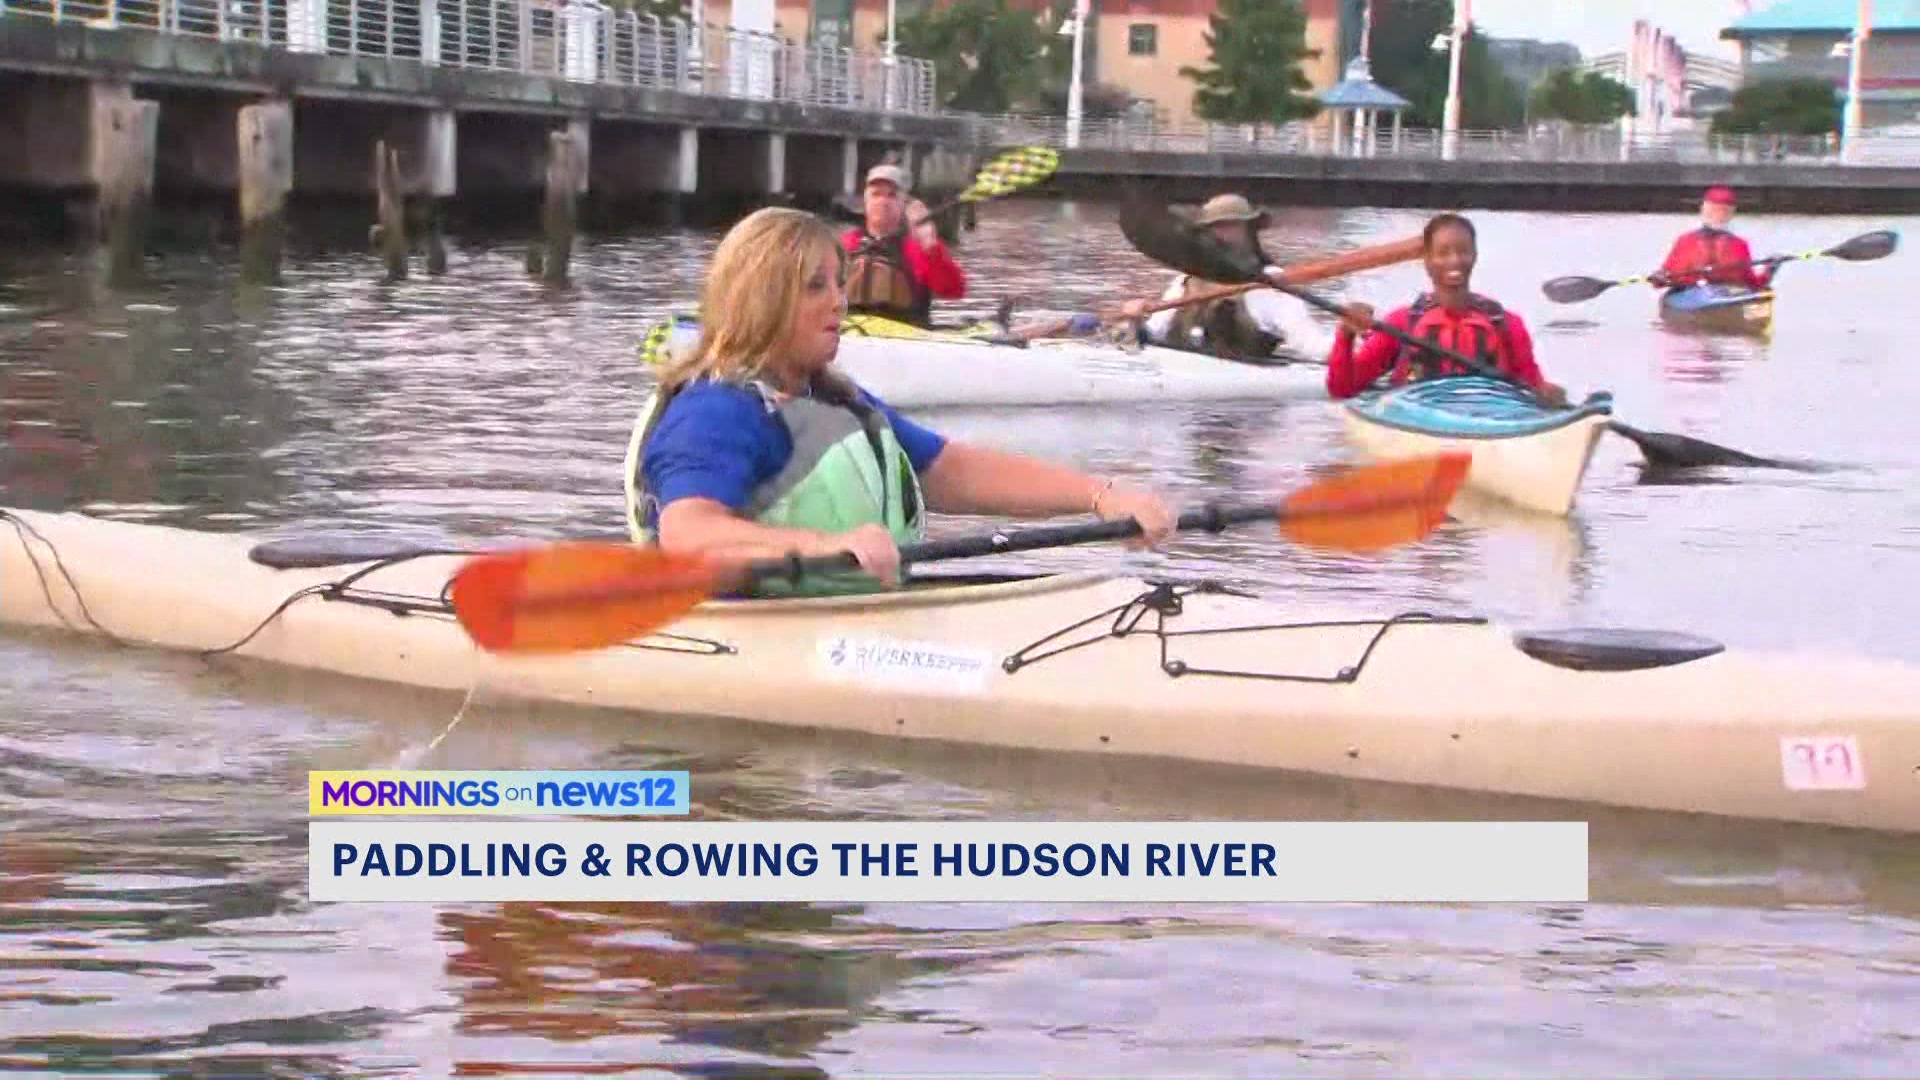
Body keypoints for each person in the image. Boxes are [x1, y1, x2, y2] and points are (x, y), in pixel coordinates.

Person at [625, 206, 1174, 595]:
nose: (839, 301)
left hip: (849, 615)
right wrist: (825, 546)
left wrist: (1100, 494)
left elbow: (948, 468)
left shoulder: (832, 398)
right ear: (762, 299)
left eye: (839, 284)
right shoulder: (717, 409)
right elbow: (689, 535)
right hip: (750, 635)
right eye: (816, 287)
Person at [1325, 213, 1568, 406]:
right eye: (1443, 253)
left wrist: (1548, 395)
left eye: (1463, 251)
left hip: (1490, 420)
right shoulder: (1401, 324)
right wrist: (1346, 335)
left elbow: (1533, 387)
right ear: (1428, 260)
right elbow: (1342, 389)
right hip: (1416, 416)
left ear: (1474, 256)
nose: (1454, 261)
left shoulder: (1506, 324)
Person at [1119, 193, 1333, 363]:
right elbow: (1154, 334)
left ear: (1249, 231)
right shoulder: (1185, 282)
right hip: (1185, 396)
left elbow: (1312, 346)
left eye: (1231, 226)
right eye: (1214, 228)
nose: (1221, 235)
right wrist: (1135, 319)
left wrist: (1348, 338)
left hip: (1246, 406)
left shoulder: (1270, 285)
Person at [838, 163, 967, 328]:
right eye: (876, 194)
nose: (883, 201)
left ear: (903, 204)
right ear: (865, 201)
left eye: (891, 195)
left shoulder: (918, 247)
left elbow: (954, 291)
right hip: (852, 331)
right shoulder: (845, 244)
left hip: (903, 339)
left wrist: (930, 246)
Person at [1650, 186, 1774, 293]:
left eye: (1723, 211)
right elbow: (1668, 275)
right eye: (1714, 210)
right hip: (1690, 292)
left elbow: (1751, 283)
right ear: (1704, 210)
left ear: (1731, 214)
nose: (1718, 215)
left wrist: (1770, 269)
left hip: (1727, 293)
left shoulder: (1739, 244)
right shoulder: (1686, 240)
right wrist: (1660, 278)